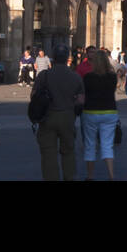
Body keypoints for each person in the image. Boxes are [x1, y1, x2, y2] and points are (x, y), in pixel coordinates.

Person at [32, 44, 84, 181]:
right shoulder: (75, 77)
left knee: (49, 153)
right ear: (67, 58)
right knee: (68, 152)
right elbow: (80, 100)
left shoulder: (44, 75)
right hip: (67, 116)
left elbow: (33, 96)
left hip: (48, 117)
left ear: (53, 57)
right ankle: (69, 177)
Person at [82, 50, 120, 180]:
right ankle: (111, 175)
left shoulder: (88, 77)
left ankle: (90, 175)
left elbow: (84, 94)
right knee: (107, 145)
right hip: (109, 112)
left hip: (91, 112)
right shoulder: (112, 76)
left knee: (90, 144)